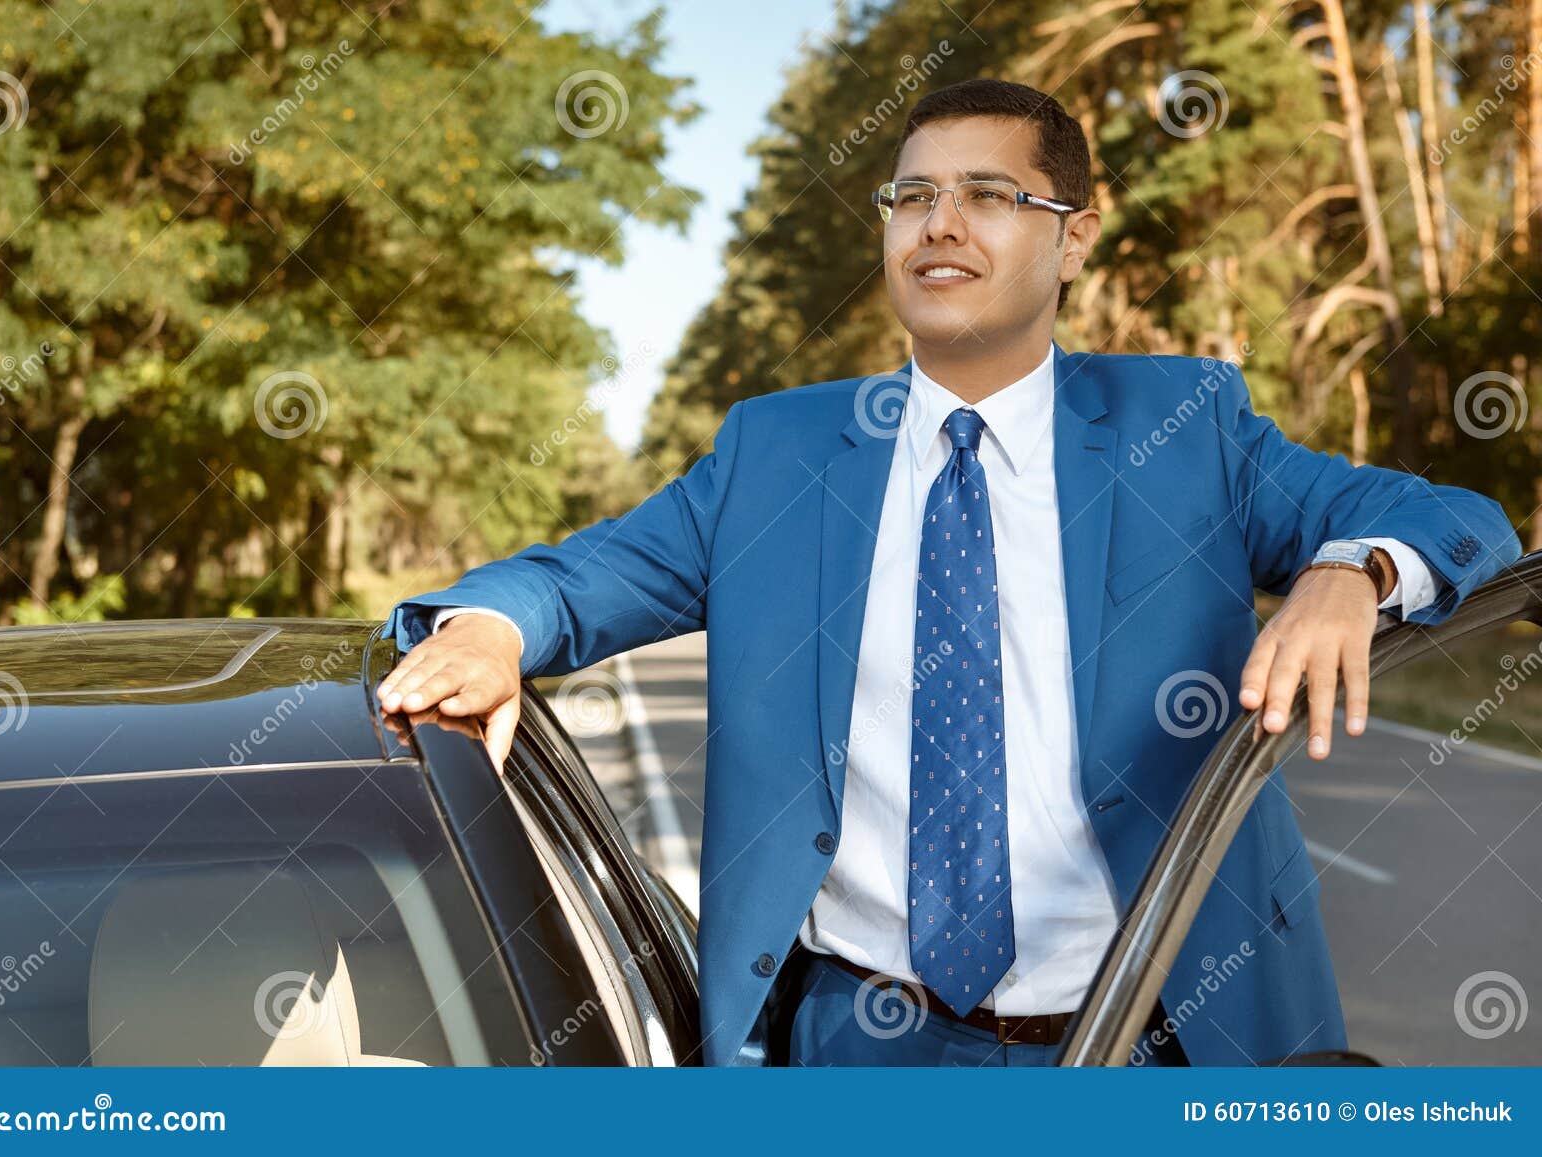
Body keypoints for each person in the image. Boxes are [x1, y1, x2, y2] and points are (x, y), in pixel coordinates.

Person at [378, 78, 1521, 1067]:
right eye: (912, 195)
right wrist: (489, 629)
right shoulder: (775, 454)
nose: (939, 224)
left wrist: (1350, 571)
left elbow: (1459, 519)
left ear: (1074, 238)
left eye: (988, 195)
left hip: (1157, 1037)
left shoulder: (1184, 428)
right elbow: (572, 580)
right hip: (859, 1043)